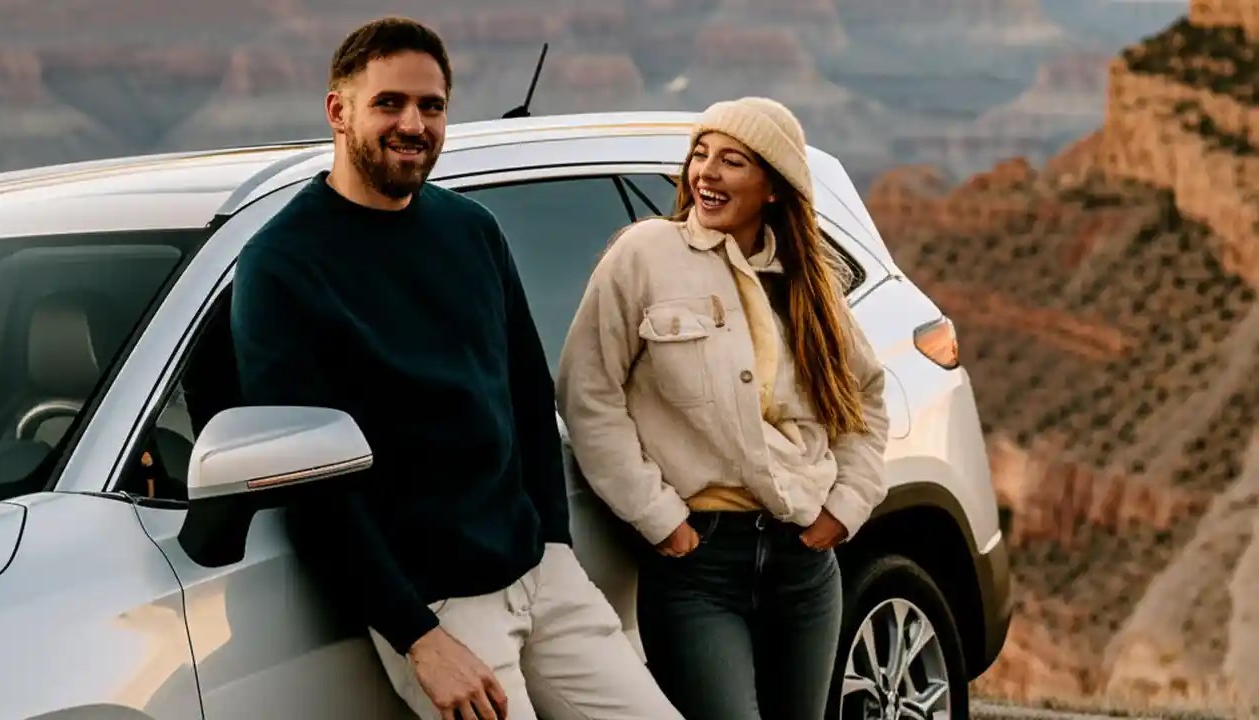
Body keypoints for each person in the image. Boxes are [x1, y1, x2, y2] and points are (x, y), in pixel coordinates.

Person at [230, 16, 683, 720]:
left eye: (431, 106)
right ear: (338, 110)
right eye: (389, 103)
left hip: (541, 572)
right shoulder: (282, 265)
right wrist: (417, 635)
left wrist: (554, 543)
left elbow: (528, 397)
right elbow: (308, 484)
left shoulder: (472, 230)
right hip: (439, 609)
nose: (413, 123)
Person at [556, 97, 890, 720]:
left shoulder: (808, 281)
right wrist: (661, 519)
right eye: (700, 156)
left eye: (731, 161)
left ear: (772, 187)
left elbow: (864, 400)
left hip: (805, 565)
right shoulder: (644, 255)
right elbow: (588, 394)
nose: (706, 174)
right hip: (698, 566)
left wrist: (843, 511)